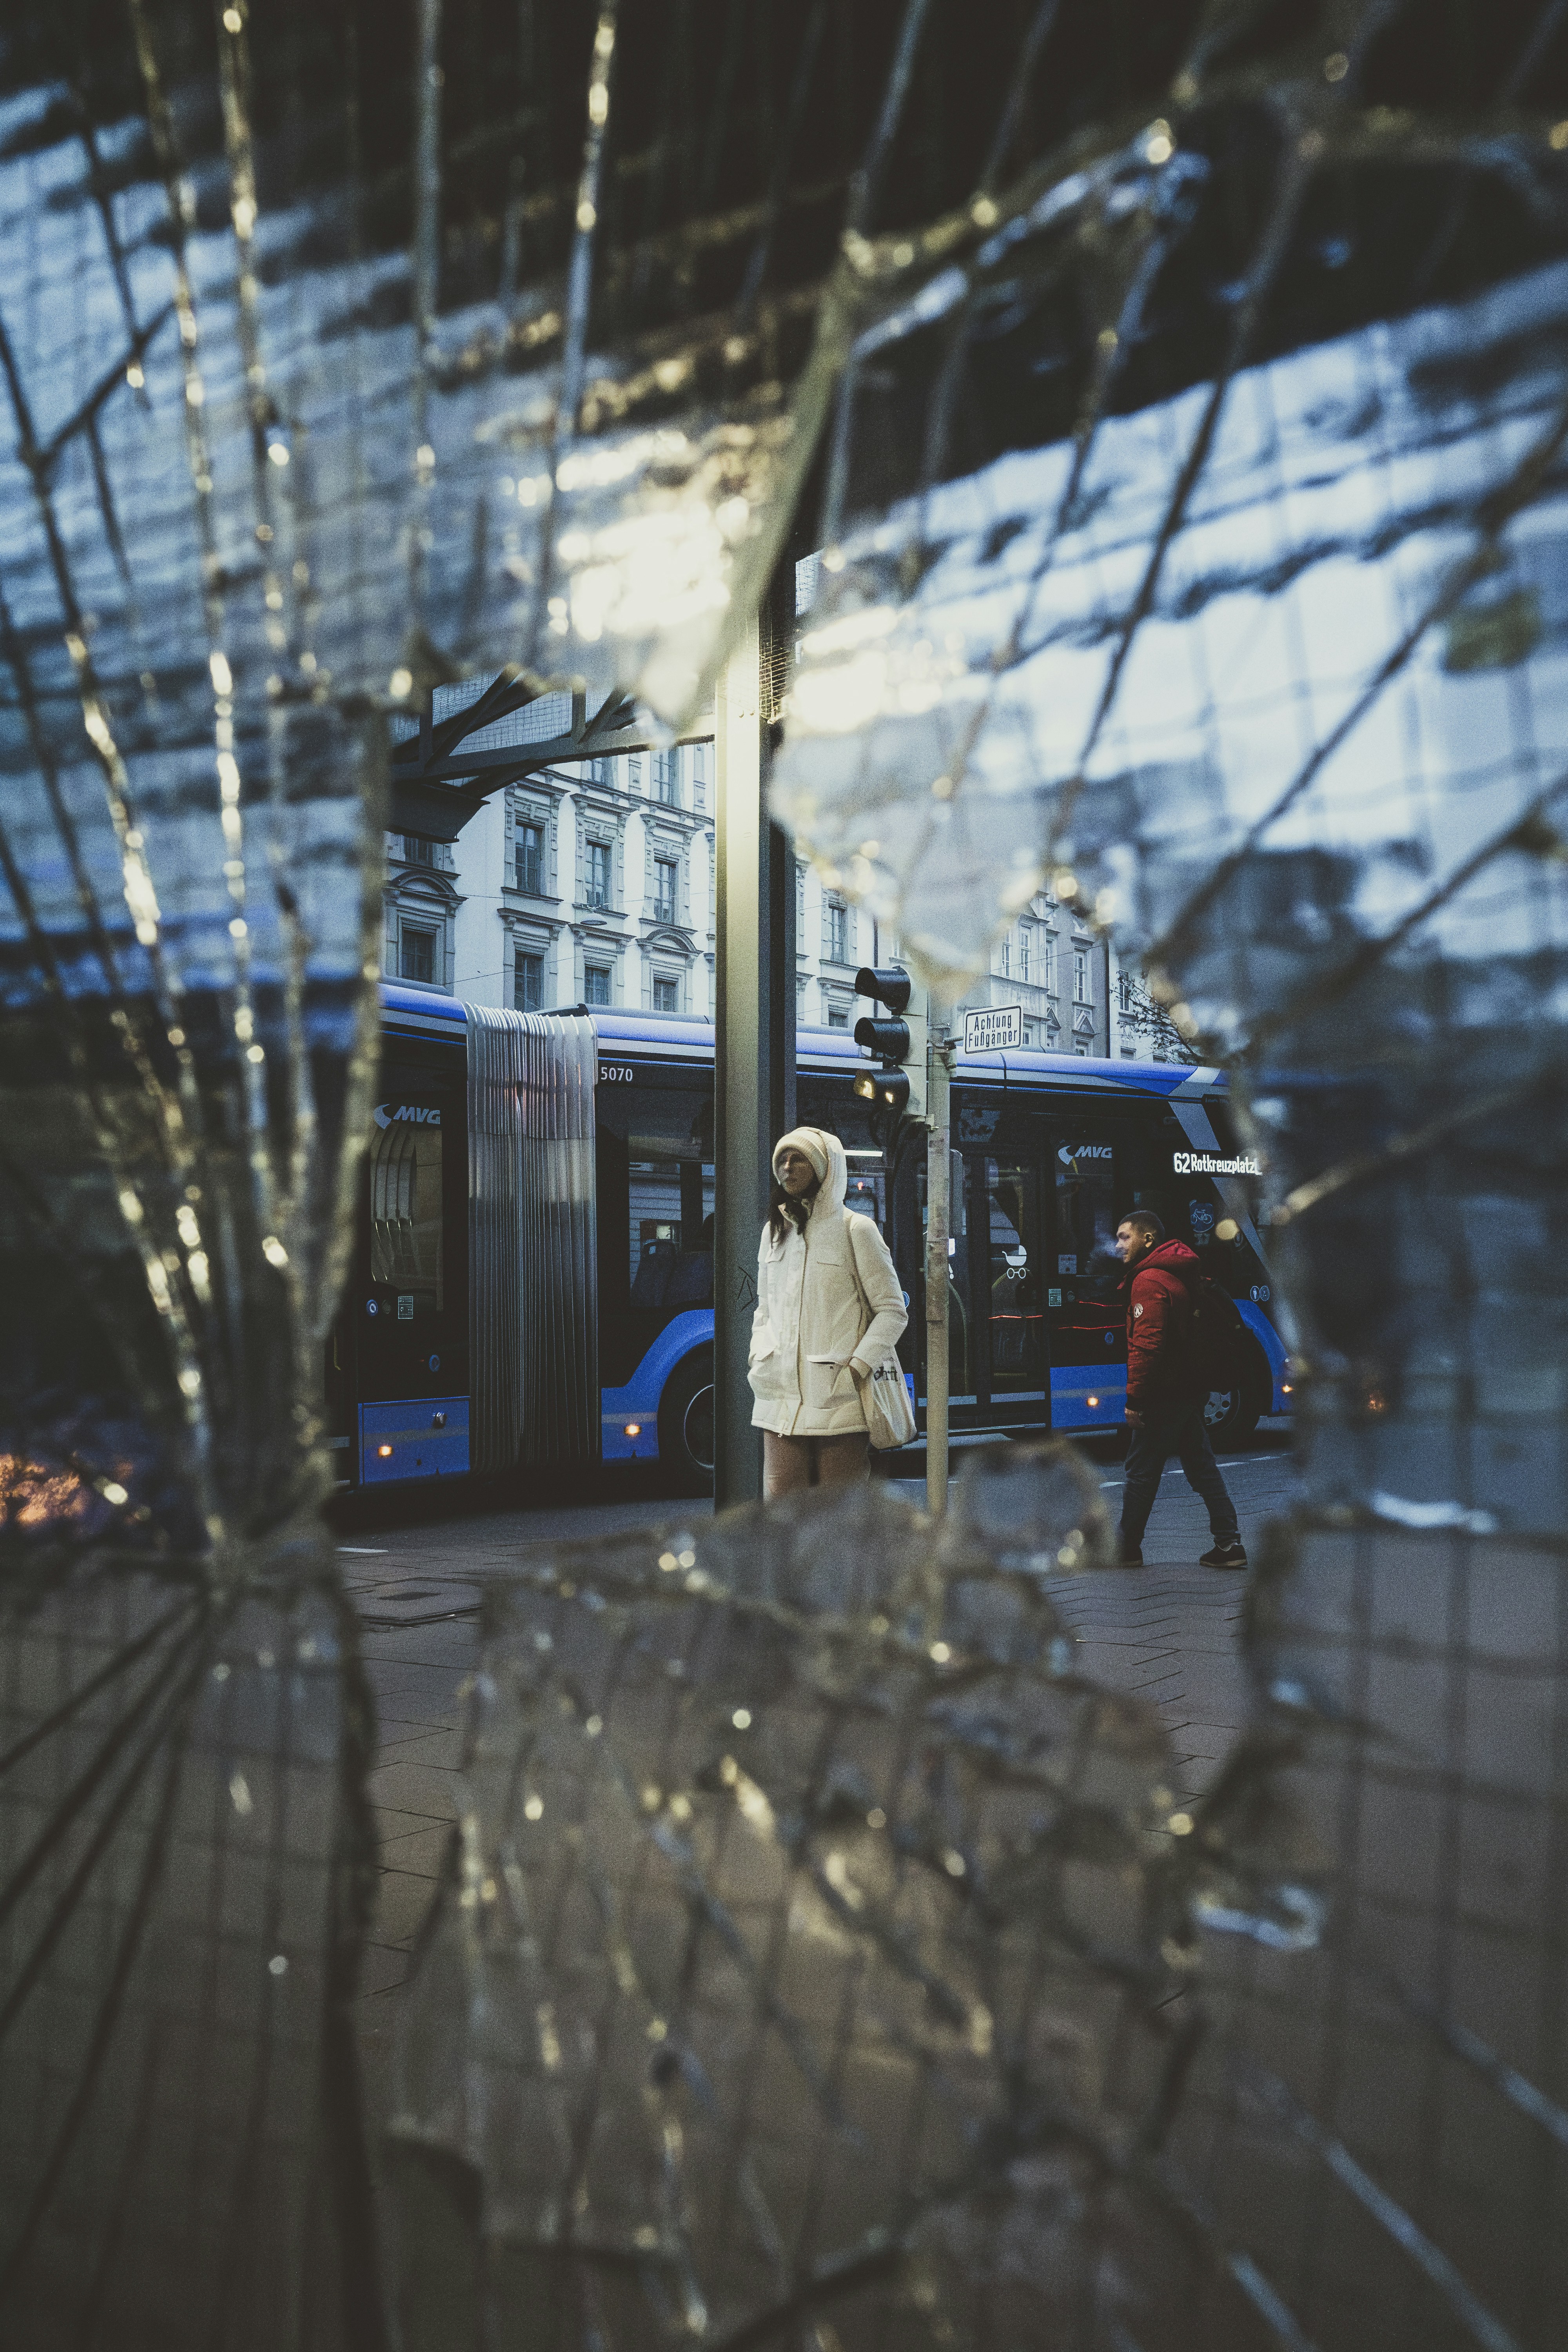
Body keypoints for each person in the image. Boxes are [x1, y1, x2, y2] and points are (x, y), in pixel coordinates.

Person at [749, 1126, 908, 1499]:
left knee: (840, 1521)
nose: (786, 1168)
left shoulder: (857, 1229)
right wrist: (759, 1356)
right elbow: (764, 1308)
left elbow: (892, 1311)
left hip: (839, 1399)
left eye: (797, 1159)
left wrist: (855, 1369)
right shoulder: (774, 1233)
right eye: (781, 1160)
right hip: (778, 1398)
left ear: (825, 1168)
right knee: (783, 1518)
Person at [1114, 1208, 1247, 1569]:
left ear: (1148, 1239)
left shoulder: (1150, 1280)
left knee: (1141, 1469)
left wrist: (1135, 1399)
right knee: (1202, 1465)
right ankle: (1229, 1544)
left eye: (1125, 1237)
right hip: (1188, 1388)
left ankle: (1126, 1549)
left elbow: (1148, 1345)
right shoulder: (1178, 1274)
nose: (1118, 1245)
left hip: (1164, 1392)